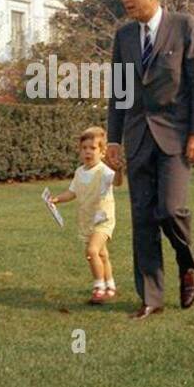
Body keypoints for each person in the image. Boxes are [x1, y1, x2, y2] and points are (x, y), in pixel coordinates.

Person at [104, 0, 194, 320]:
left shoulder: (184, 27)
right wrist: (114, 140)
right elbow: (119, 92)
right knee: (143, 220)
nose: (125, 1)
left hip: (177, 138)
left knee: (170, 209)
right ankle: (151, 297)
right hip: (137, 140)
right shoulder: (123, 37)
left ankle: (186, 263)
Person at [48, 126, 120, 305]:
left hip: (103, 220)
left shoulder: (104, 171)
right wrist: (56, 199)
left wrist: (119, 170)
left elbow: (117, 182)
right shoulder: (79, 172)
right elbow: (72, 193)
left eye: (93, 148)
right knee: (102, 254)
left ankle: (99, 287)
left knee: (92, 251)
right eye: (84, 148)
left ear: (102, 152)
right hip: (87, 221)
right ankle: (110, 285)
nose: (88, 152)